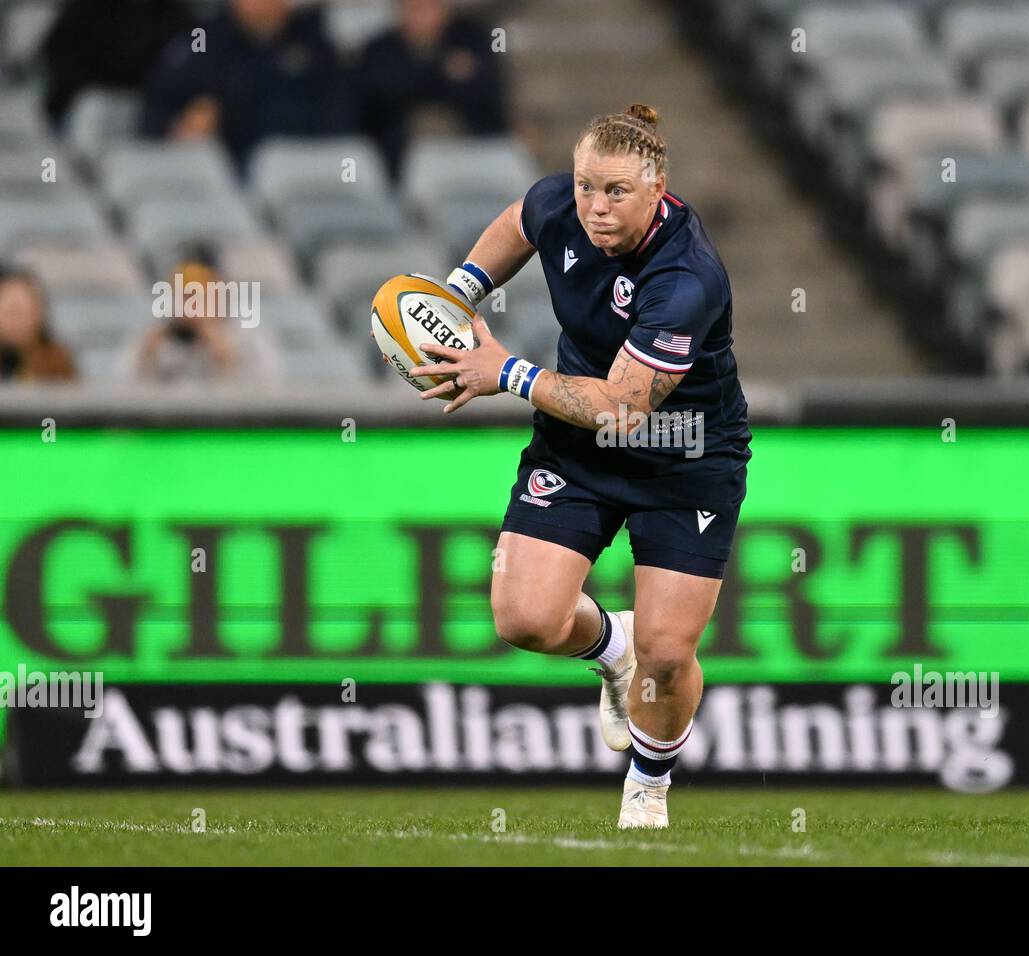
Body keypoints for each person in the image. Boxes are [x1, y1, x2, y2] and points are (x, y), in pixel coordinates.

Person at [405, 104, 751, 829]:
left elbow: (624, 405)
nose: (594, 205)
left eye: (616, 191)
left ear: (658, 187)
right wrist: (458, 292)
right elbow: (517, 225)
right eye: (587, 185)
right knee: (523, 617)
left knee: (668, 652)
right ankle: (610, 646)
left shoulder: (686, 278)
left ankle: (648, 787)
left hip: (684, 458)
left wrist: (506, 373)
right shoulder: (560, 198)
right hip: (577, 446)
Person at [142, 0, 356, 168]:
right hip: (228, 168)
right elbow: (160, 106)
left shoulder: (313, 42)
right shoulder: (203, 40)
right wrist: (181, 124)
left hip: (305, 161)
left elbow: (342, 108)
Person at [356, 0, 509, 176]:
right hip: (396, 153)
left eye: (430, 7)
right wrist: (442, 69)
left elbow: (487, 88)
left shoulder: (473, 37)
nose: (422, 17)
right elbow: (381, 94)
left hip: (473, 143)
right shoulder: (378, 49)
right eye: (415, 9)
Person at [121, 256, 282, 384]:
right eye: (184, 296)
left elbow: (268, 394)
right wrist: (146, 359)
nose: (190, 305)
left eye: (200, 296)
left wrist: (225, 362)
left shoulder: (247, 337)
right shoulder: (154, 338)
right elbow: (123, 393)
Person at [40, 0, 193, 126]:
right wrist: (82, 87)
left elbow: (190, 66)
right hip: (87, 98)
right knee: (93, 110)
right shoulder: (87, 7)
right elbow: (57, 50)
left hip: (147, 104)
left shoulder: (176, 15)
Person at [0, 270, 76, 383]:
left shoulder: (56, 361)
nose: (15, 321)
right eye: (9, 312)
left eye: (21, 312)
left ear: (38, 314)